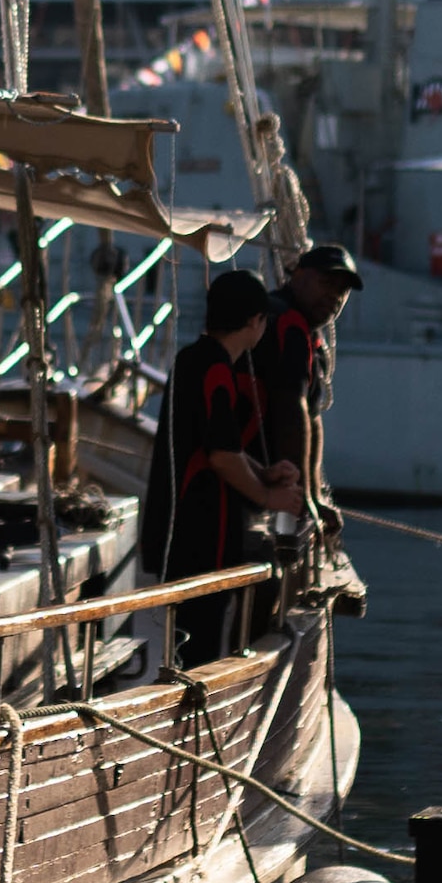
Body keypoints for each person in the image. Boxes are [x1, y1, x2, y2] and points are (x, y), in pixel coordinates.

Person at [163, 267, 298, 660]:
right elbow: (221, 456)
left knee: (190, 628)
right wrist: (268, 497)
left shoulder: (191, 360)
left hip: (183, 525)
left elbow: (213, 447)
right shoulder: (217, 370)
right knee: (202, 633)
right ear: (255, 323)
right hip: (203, 528)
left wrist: (263, 471)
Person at [251, 240, 362, 492]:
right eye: (327, 283)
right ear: (298, 274)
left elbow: (311, 417)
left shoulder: (309, 336)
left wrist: (315, 495)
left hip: (261, 476)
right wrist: (302, 496)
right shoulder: (285, 323)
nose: (335, 296)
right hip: (249, 476)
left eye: (342, 291)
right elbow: (291, 410)